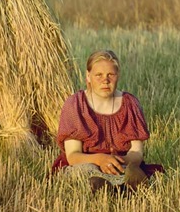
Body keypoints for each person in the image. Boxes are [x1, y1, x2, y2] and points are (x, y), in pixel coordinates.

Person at [52, 49, 163, 190]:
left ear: (118, 75)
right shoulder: (75, 104)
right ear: (88, 76)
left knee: (131, 170)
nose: (105, 80)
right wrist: (100, 159)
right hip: (86, 163)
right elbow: (73, 156)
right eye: (98, 75)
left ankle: (120, 184)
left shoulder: (130, 103)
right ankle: (110, 187)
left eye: (111, 74)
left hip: (121, 163)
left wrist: (114, 162)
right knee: (86, 171)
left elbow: (137, 153)